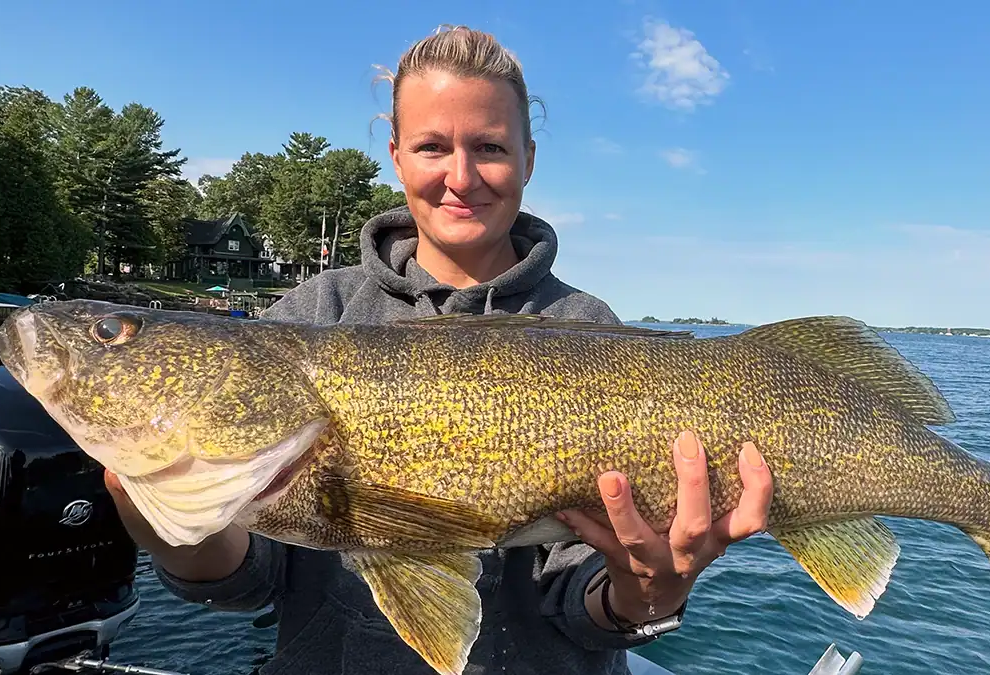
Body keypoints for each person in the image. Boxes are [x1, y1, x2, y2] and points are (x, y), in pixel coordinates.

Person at [103, 25, 775, 675]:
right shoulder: (315, 315)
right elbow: (249, 581)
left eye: (489, 146)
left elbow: (585, 605)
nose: (461, 176)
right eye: (431, 146)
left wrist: (650, 591)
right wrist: (170, 519)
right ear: (396, 155)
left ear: (529, 158)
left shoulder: (584, 326)